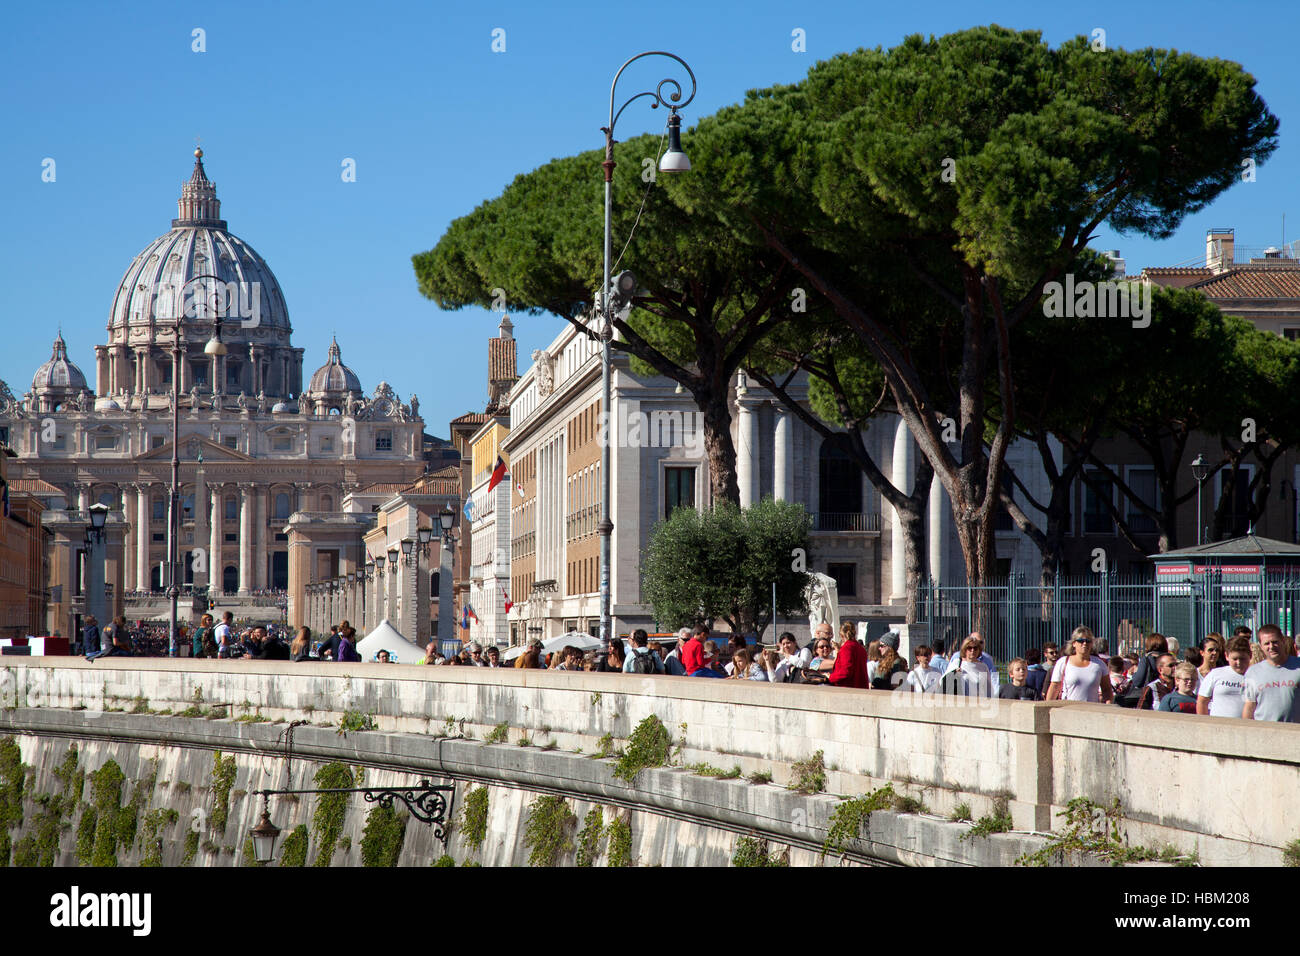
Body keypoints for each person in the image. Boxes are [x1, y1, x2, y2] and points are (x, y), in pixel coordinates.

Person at [1241, 624, 1300, 722]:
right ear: (1261, 646)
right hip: (1264, 732)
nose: (1271, 646)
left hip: (1295, 732)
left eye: (1275, 642)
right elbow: (1249, 706)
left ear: (1283, 641)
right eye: (1267, 643)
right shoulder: (1252, 672)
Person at [1045, 626, 1112, 703]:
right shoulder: (1063, 662)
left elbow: (1107, 689)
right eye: (1081, 641)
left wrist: (1108, 705)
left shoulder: (1099, 664)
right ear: (1074, 643)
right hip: (1068, 710)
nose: (1085, 643)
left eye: (1088, 641)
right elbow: (1054, 687)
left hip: (1092, 711)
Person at [1116, 633, 1168, 708]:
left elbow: (1138, 682)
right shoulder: (1169, 660)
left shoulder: (1146, 659)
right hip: (1165, 695)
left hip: (1149, 697)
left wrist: (1133, 676)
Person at [828, 621, 869, 689]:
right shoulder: (861, 648)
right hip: (861, 687)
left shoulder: (847, 648)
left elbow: (846, 671)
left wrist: (831, 677)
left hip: (848, 687)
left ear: (841, 635)